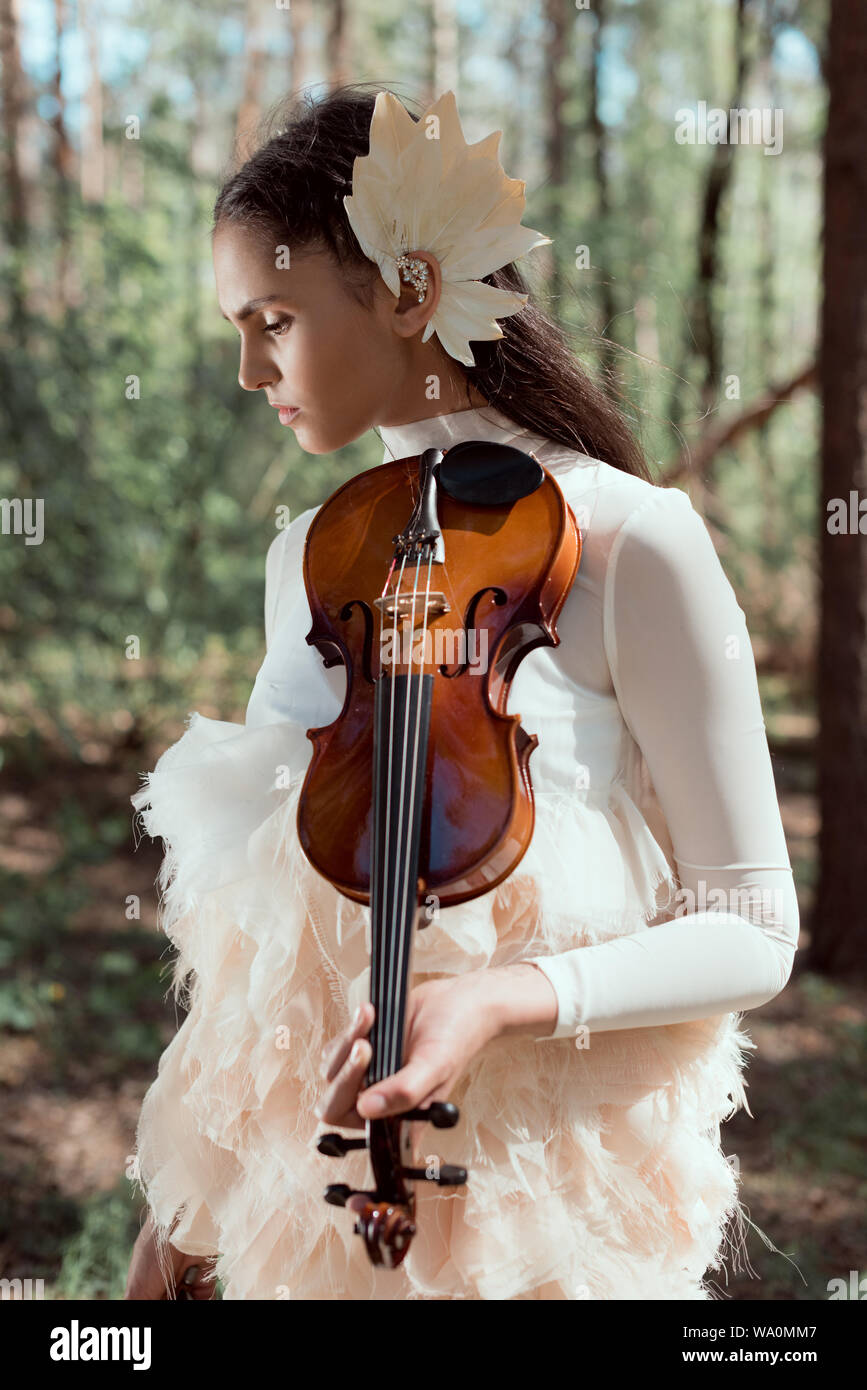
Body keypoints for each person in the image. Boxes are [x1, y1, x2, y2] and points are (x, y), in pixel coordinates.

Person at [124, 83, 799, 1301]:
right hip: (309, 1210)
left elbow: (756, 927)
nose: (245, 366)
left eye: (272, 317)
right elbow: (268, 944)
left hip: (538, 1205)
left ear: (409, 289)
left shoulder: (633, 541)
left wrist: (499, 998)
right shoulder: (312, 562)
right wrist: (191, 1206)